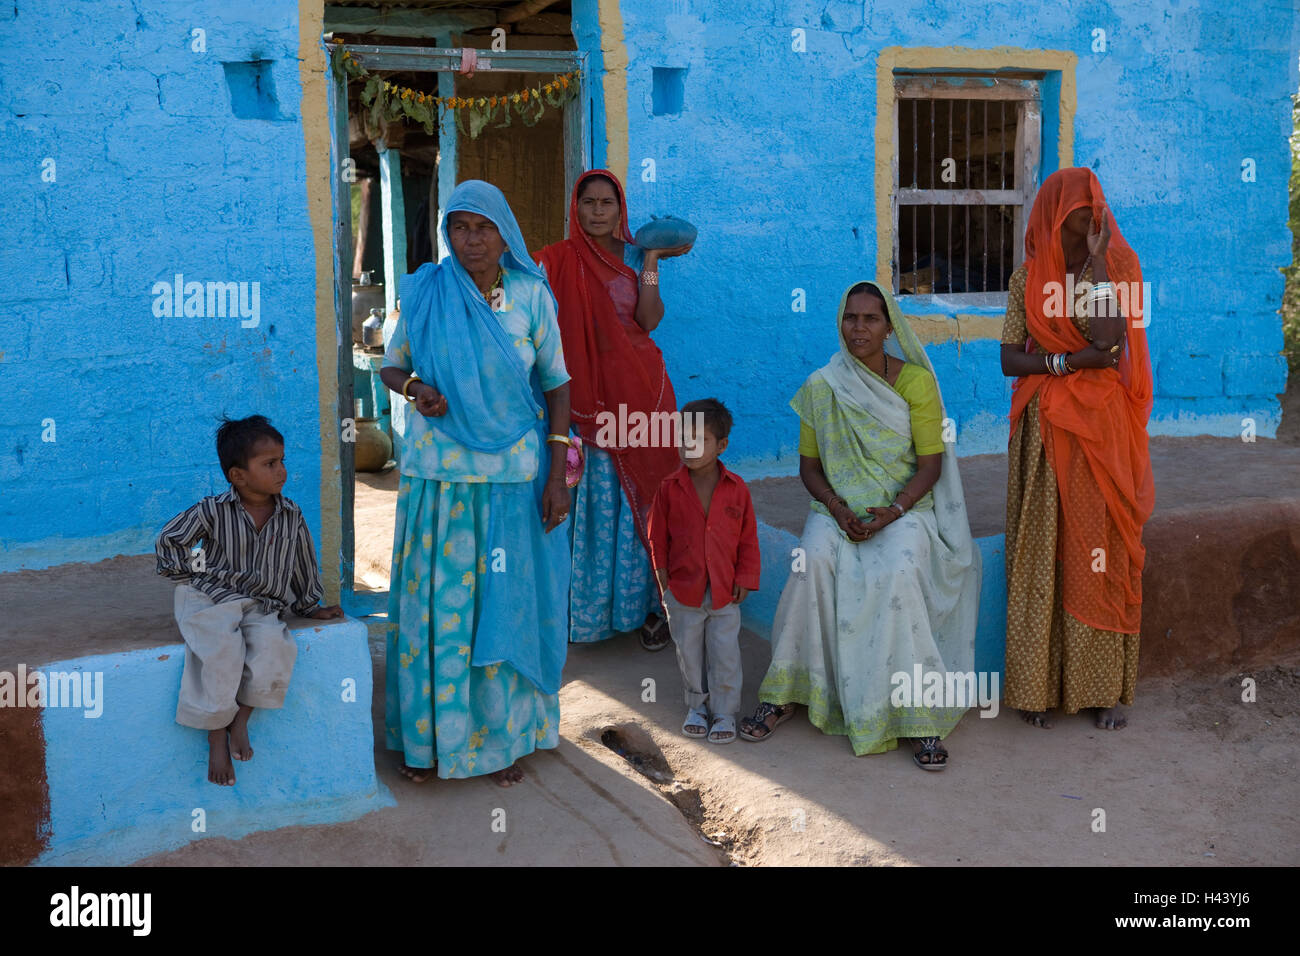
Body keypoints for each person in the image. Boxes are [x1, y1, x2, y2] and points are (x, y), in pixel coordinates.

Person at [740, 281, 981, 770]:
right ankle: (787, 693)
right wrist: (837, 506)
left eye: (871, 319)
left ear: (889, 327)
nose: (859, 328)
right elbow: (809, 468)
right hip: (837, 508)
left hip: (905, 510)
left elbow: (930, 466)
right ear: (840, 322)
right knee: (812, 565)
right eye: (851, 318)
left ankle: (917, 717)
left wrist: (893, 511)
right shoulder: (823, 385)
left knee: (898, 574)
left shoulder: (915, 382)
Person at [378, 180, 572, 788]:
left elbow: (558, 383)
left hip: (511, 479)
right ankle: (432, 741)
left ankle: (498, 742)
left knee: (501, 610)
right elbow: (392, 362)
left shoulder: (530, 294)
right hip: (438, 481)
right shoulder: (427, 290)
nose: (471, 239)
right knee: (437, 613)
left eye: (483, 227)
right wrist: (415, 390)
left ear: (503, 232)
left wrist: (559, 468)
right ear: (447, 233)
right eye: (460, 226)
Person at [1000, 167, 1154, 731]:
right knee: (1044, 548)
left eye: (1095, 211)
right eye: (1077, 212)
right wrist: (1068, 362)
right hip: (1043, 429)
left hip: (1099, 429)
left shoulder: (1118, 270)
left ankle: (1103, 689)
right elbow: (1009, 360)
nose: (1089, 219)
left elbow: (1111, 339)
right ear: (1052, 215)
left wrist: (1096, 261)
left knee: (1100, 545)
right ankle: (1038, 688)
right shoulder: (1026, 280)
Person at [537, 169, 693, 651]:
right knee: (592, 505)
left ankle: (650, 610)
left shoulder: (634, 257)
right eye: (589, 202)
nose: (599, 212)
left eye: (608, 203)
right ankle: (587, 619)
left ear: (620, 209)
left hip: (640, 394)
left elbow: (648, 318)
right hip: (581, 401)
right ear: (576, 207)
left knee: (642, 501)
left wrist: (649, 258)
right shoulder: (556, 261)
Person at [156, 415, 344, 786]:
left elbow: (303, 562)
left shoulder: (291, 516)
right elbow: (170, 540)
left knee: (276, 648)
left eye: (282, 460)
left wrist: (309, 605)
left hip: (259, 604)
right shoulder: (213, 510)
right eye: (270, 464)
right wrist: (193, 574)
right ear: (238, 476)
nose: (281, 471)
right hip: (209, 598)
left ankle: (240, 719)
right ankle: (214, 734)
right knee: (221, 649)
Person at [648, 398, 761, 744]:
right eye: (684, 438)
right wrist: (663, 577)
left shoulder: (737, 489)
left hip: (725, 589)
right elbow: (658, 537)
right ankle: (697, 706)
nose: (689, 447)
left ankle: (725, 712)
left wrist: (745, 577)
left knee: (725, 652)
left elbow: (748, 538)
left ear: (721, 445)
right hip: (683, 589)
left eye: (700, 439)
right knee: (689, 651)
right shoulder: (669, 488)